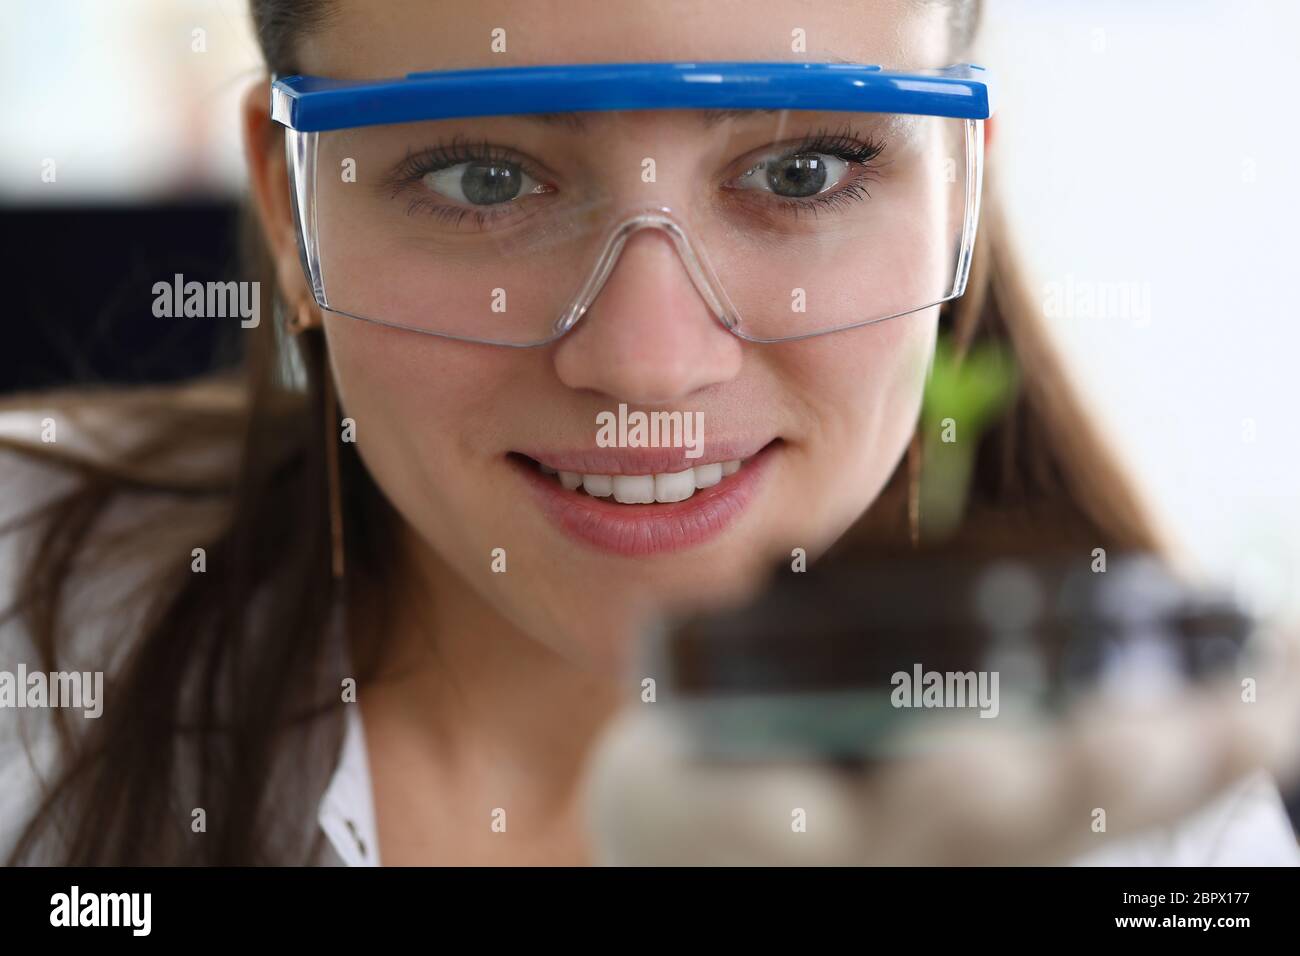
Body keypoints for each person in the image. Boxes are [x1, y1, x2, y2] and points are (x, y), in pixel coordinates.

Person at [1, 0, 1297, 866]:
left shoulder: (1147, 818)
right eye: (484, 178)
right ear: (291, 215)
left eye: (803, 172)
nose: (647, 365)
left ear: (963, 192)